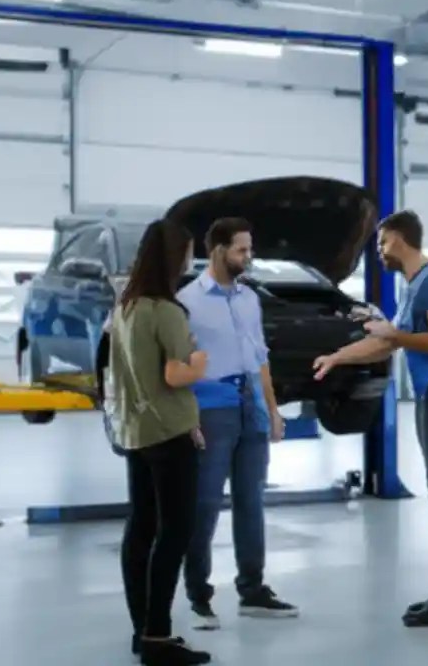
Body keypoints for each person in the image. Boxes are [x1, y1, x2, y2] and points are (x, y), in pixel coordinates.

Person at [313, 209, 428, 627]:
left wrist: (392, 334)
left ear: (400, 239)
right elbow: (384, 344)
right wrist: (337, 357)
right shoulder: (412, 288)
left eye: (382, 243)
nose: (380, 252)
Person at [179, 217, 298, 629]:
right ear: (217, 250)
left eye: (250, 249)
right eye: (241, 250)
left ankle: (253, 590)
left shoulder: (249, 299)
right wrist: (187, 417)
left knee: (251, 501)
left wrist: (272, 409)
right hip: (210, 407)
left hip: (250, 405)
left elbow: (259, 356)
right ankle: (198, 593)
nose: (249, 257)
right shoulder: (187, 301)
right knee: (206, 503)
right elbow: (177, 366)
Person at [111, 218, 212, 666]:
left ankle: (143, 631)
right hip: (170, 431)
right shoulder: (167, 311)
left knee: (141, 529)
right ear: (176, 256)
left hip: (135, 431)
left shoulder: (126, 307)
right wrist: (199, 363)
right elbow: (175, 375)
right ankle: (158, 635)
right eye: (188, 252)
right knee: (176, 531)